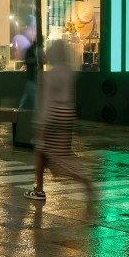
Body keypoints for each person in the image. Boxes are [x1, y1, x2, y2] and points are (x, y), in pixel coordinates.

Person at [24, 39, 96, 204]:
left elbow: (47, 101)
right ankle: (40, 189)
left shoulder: (50, 75)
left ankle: (42, 190)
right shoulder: (70, 72)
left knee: (46, 152)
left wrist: (40, 126)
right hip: (67, 114)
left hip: (53, 115)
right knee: (59, 153)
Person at [18, 33, 42, 111]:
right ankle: (36, 111)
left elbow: (44, 60)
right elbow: (27, 60)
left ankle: (20, 110)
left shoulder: (37, 49)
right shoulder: (31, 49)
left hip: (32, 77)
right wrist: (36, 60)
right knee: (33, 97)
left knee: (27, 95)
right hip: (32, 77)